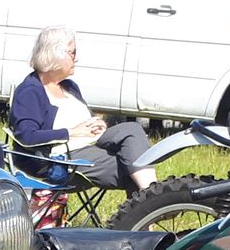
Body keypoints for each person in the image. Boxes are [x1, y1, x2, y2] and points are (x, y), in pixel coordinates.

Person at [9, 26, 155, 192]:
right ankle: (151, 196)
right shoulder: (31, 91)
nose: (76, 59)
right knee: (131, 169)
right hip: (61, 156)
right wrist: (72, 132)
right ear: (55, 55)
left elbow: (84, 119)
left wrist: (96, 123)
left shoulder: (69, 86)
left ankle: (150, 193)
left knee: (132, 129)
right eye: (72, 53)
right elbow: (26, 136)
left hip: (92, 143)